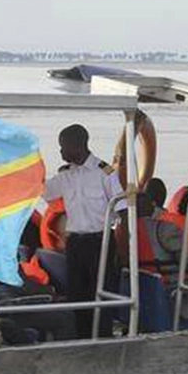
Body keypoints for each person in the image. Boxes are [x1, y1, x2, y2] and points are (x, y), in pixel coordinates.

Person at [42, 124, 123, 338]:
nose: (60, 152)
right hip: (75, 243)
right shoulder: (66, 175)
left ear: (77, 145)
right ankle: (81, 338)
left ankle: (103, 338)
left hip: (100, 242)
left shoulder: (105, 173)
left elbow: (122, 210)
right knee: (77, 294)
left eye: (63, 147)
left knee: (101, 293)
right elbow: (44, 191)